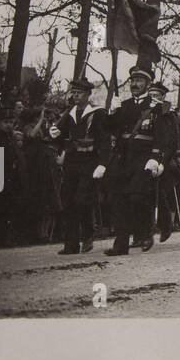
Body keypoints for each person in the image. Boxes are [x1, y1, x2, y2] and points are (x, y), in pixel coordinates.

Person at [106, 69, 175, 256]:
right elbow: (113, 130)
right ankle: (120, 245)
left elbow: (162, 135)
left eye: (139, 81)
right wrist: (113, 112)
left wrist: (155, 158)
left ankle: (146, 231)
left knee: (137, 198)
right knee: (119, 200)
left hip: (144, 158)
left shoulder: (155, 106)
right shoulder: (124, 104)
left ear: (148, 83)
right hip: (123, 157)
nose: (135, 84)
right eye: (133, 80)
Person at [52, 76, 110, 255]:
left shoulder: (98, 113)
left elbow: (104, 140)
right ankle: (71, 244)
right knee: (69, 200)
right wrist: (56, 134)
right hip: (72, 160)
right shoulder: (69, 114)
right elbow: (62, 136)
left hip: (90, 161)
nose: (76, 96)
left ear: (88, 94)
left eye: (79, 93)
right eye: (74, 93)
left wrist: (102, 163)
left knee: (82, 199)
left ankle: (88, 233)